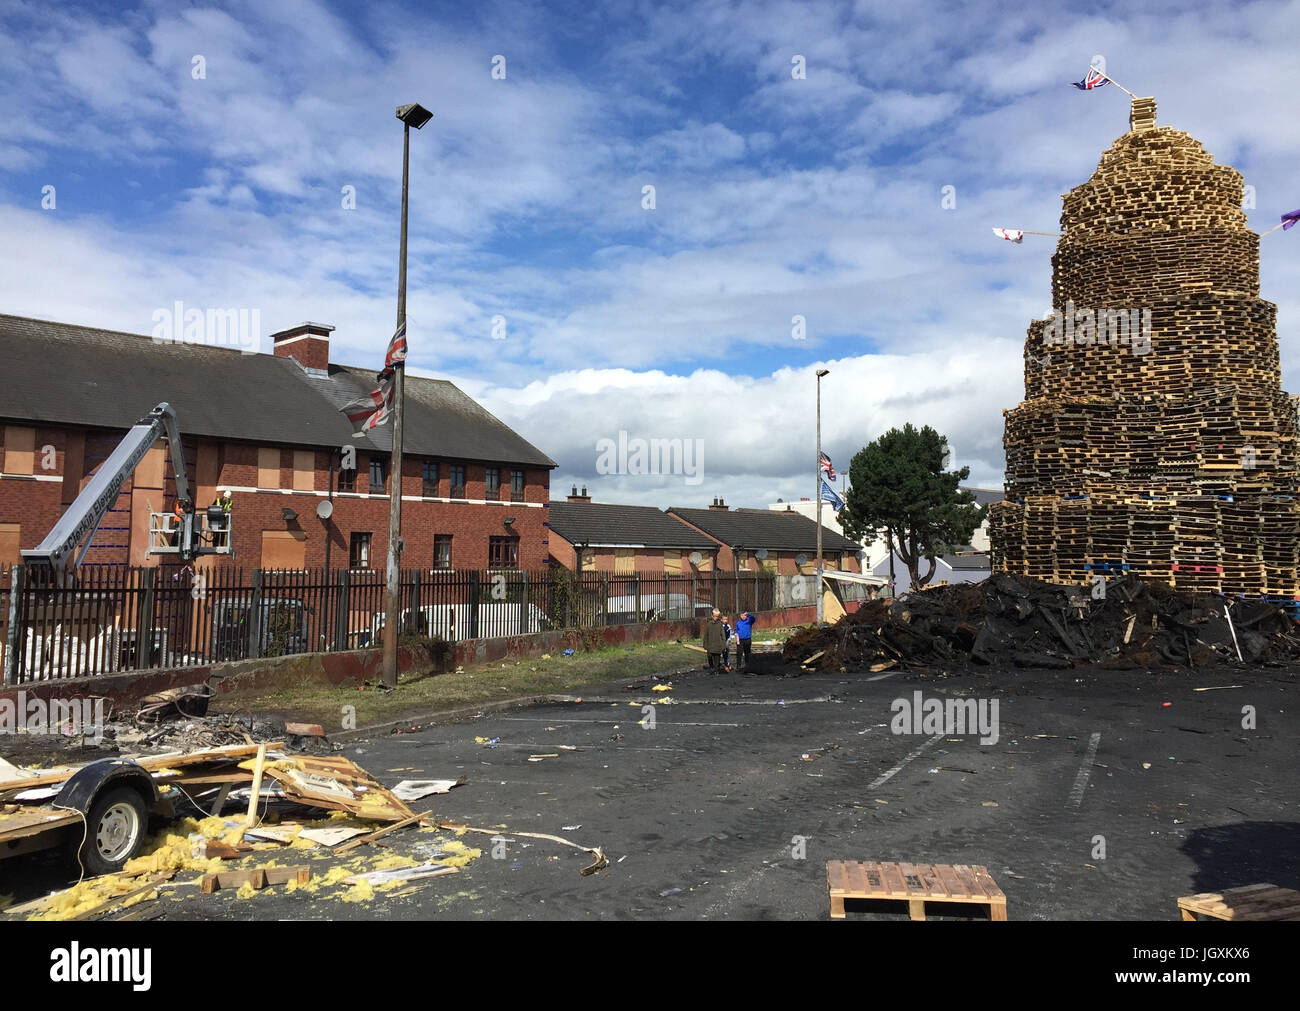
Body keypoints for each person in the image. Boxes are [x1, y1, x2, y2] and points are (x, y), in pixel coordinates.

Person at [702, 608, 727, 673]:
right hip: (710, 644)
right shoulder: (709, 624)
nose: (715, 617)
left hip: (718, 645)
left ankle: (716, 670)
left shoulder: (720, 624)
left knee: (717, 658)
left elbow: (723, 635)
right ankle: (712, 668)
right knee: (710, 656)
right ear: (712, 616)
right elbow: (706, 635)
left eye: (717, 616)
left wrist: (723, 645)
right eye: (714, 616)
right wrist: (705, 644)